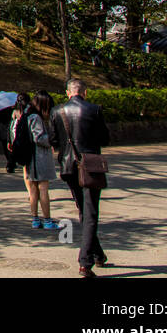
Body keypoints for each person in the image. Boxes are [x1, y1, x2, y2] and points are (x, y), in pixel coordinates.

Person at [50, 79, 110, 277]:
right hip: (90, 164)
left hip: (68, 165)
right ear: (85, 93)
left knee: (84, 209)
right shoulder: (94, 110)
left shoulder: (57, 111)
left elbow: (53, 140)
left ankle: (98, 254)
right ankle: (85, 261)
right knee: (91, 212)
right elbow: (104, 138)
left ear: (68, 93)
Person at [24, 90, 62, 231]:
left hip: (31, 158)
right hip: (39, 157)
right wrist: (52, 140)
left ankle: (35, 219)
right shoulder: (36, 118)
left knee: (33, 190)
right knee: (43, 189)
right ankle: (47, 220)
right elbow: (39, 138)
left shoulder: (28, 116)